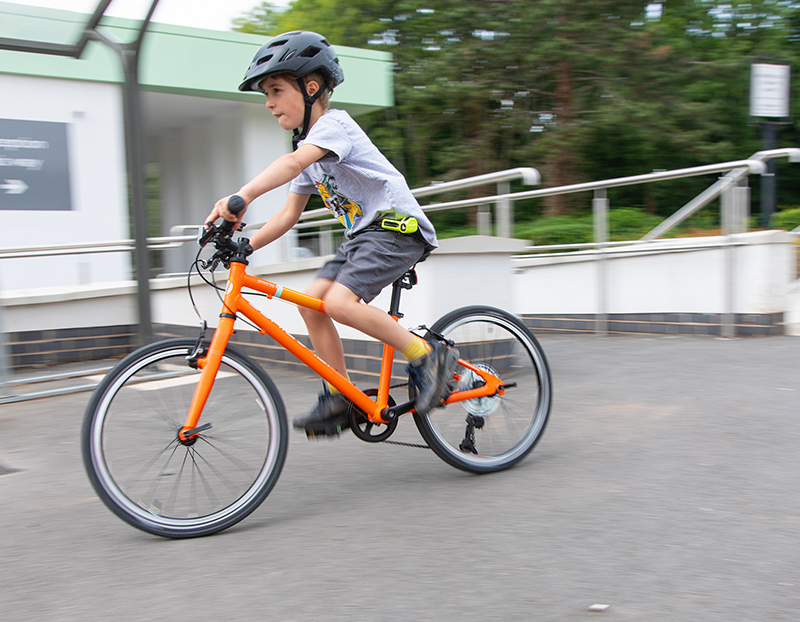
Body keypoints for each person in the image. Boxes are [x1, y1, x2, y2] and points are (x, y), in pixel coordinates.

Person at [204, 31, 458, 437]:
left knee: (339, 303)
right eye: (266, 94)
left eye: (275, 90)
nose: (268, 103)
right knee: (312, 306)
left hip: (396, 228)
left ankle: (427, 356)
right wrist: (245, 246)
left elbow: (291, 163)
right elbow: (289, 214)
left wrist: (244, 195)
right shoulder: (309, 151)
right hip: (363, 236)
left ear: (311, 88)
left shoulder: (334, 126)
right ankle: (340, 395)